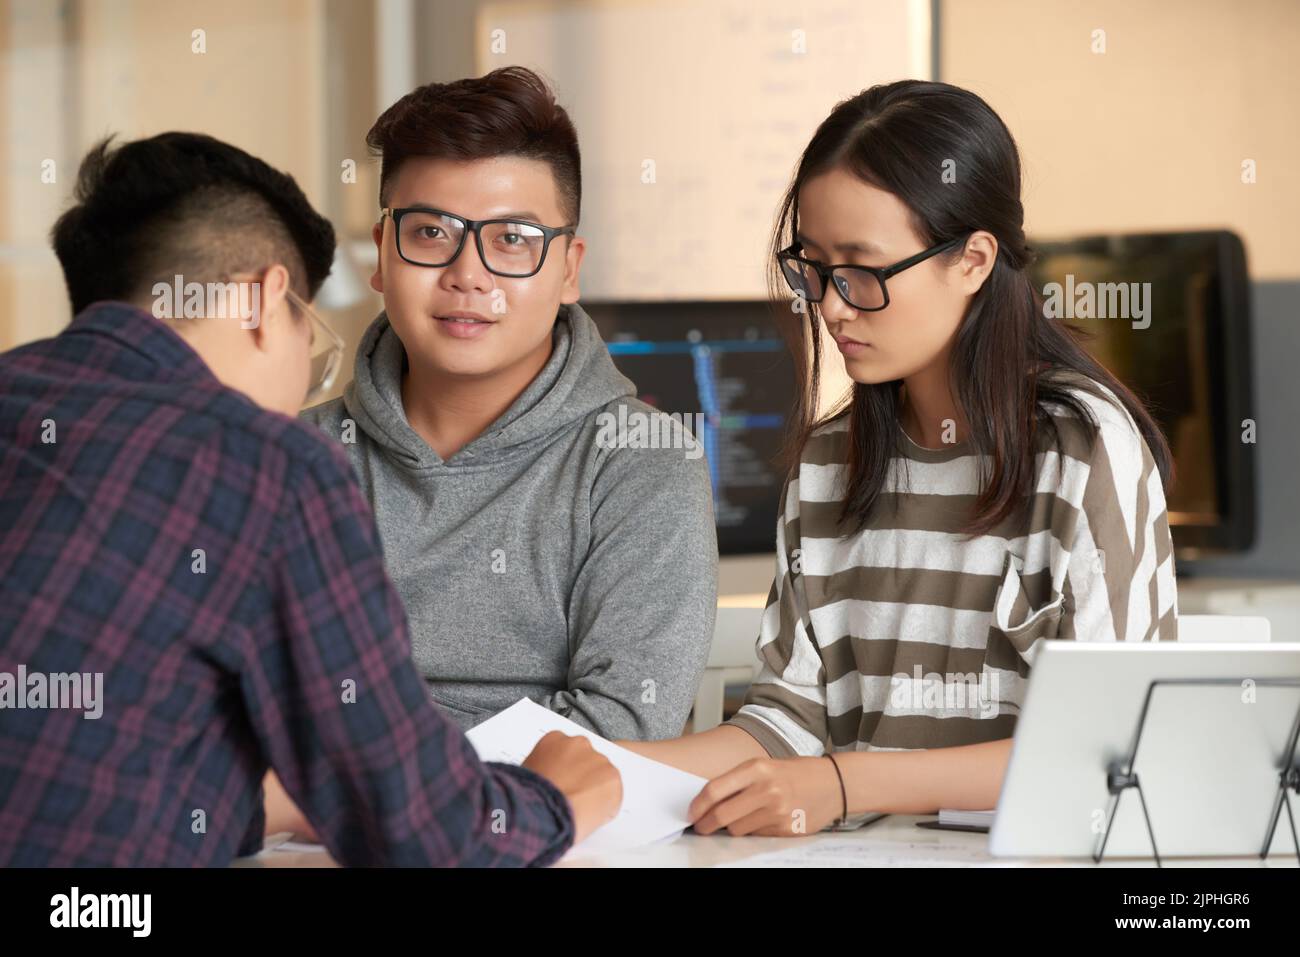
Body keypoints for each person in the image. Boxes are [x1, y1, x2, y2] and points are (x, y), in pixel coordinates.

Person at [0, 132, 620, 866]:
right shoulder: (266, 462)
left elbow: (111, 772)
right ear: (267, 300)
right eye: (309, 330)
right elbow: (426, 837)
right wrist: (554, 802)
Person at [621, 80, 1179, 837]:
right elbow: (788, 720)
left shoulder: (1081, 451)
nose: (831, 305)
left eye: (862, 270)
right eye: (813, 267)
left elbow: (1112, 746)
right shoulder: (825, 462)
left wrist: (845, 783)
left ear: (974, 259)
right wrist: (617, 768)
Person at [302, 66, 718, 739]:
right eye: (431, 233)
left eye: (513, 241)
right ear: (382, 251)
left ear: (569, 269)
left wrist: (369, 781)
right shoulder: (295, 457)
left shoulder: (642, 465)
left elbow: (622, 728)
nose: (469, 276)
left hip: (550, 838)